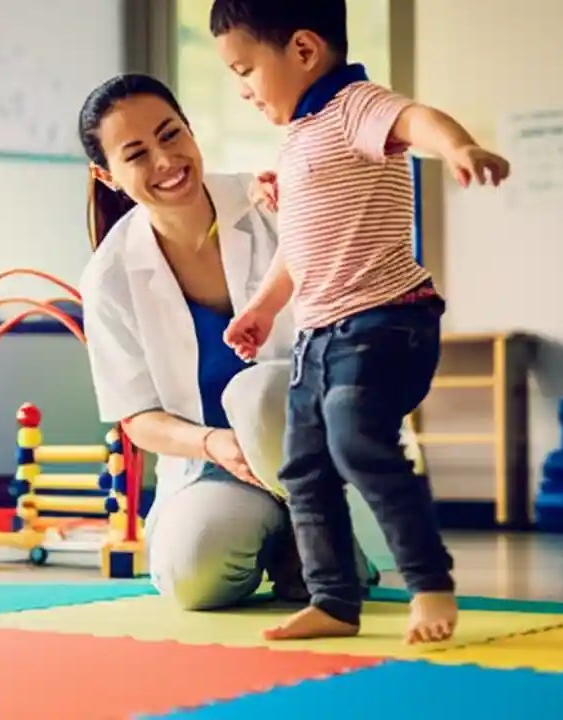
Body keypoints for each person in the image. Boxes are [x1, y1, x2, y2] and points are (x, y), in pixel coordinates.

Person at [209, 0, 510, 644]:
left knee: (356, 440)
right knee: (304, 471)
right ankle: (333, 600)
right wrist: (263, 306)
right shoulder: (298, 139)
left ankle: (428, 583)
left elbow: (415, 118)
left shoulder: (354, 106)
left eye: (245, 70)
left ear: (304, 51)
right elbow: (301, 242)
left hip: (383, 321)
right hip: (318, 339)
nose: (242, 90)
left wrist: (455, 145)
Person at [76, 73, 379, 611]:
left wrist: (311, 210)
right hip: (216, 467)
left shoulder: (271, 201)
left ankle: (318, 532)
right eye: (137, 154)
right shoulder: (109, 276)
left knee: (259, 393)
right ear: (108, 176)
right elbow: (137, 417)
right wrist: (211, 444)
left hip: (311, 436)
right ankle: (299, 546)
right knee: (192, 577)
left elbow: (352, 301)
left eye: (171, 135)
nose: (165, 161)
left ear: (191, 131)